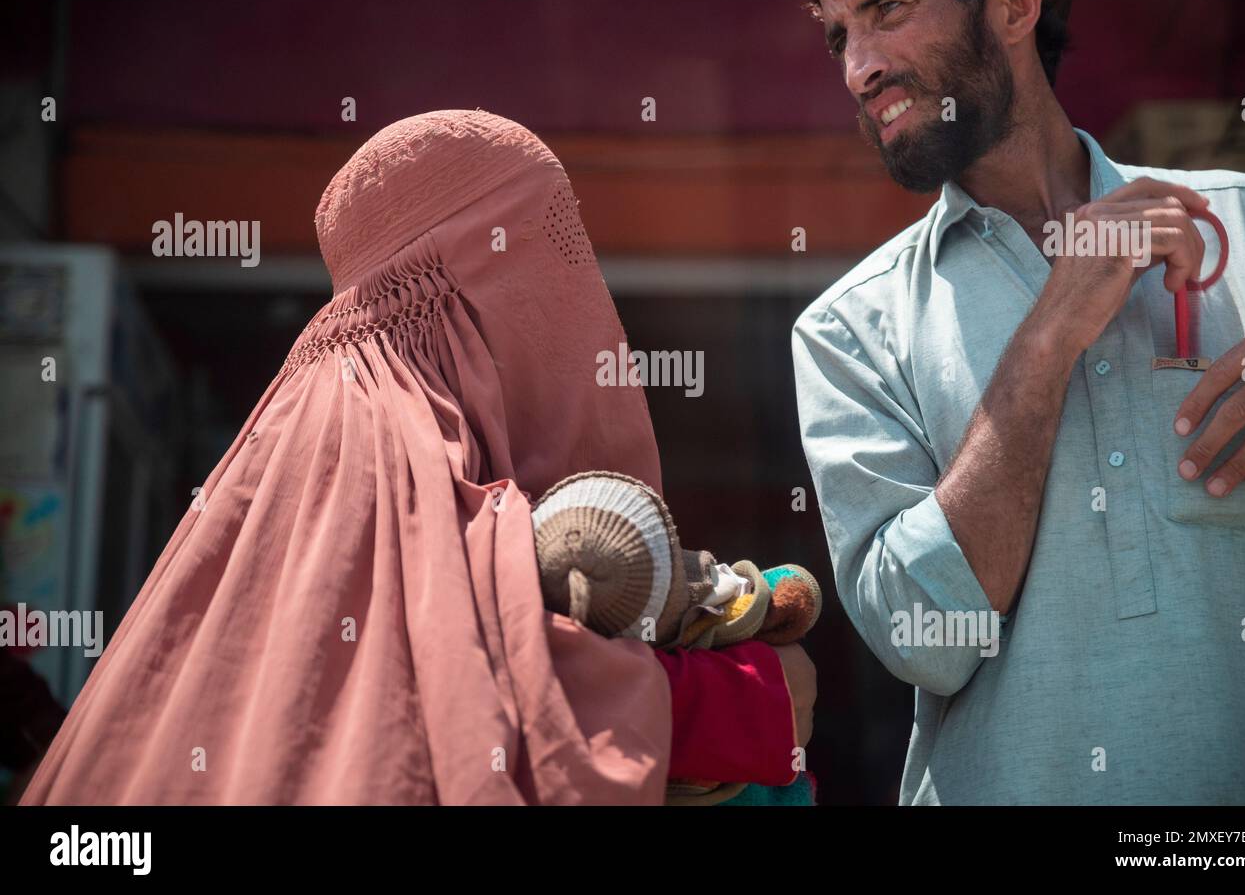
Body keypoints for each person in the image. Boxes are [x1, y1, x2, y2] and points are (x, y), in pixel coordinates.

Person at [21, 109, 813, 804]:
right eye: (554, 259)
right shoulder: (432, 493)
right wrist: (759, 695)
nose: (585, 310)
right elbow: (523, 711)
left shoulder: (264, 464)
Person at [792, 0, 1245, 803]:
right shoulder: (848, 333)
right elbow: (927, 640)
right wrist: (1052, 328)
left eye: (885, 10)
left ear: (1014, 4)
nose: (858, 69)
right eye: (839, 35)